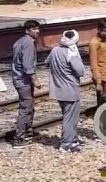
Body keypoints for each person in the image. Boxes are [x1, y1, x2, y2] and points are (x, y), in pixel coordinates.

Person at [48, 30, 87, 153]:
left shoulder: (55, 50)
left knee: (67, 115)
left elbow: (46, 62)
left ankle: (73, 140)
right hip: (70, 90)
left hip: (58, 89)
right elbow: (80, 71)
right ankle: (66, 144)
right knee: (70, 118)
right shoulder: (71, 53)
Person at [10, 19, 41, 147]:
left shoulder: (20, 41)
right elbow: (28, 65)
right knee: (26, 108)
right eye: (34, 29)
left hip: (18, 79)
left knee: (28, 106)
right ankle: (19, 137)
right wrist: (35, 80)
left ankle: (28, 132)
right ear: (27, 31)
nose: (37, 31)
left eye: (38, 28)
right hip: (23, 80)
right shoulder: (28, 43)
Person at [88, 22, 106, 103]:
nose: (105, 33)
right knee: (103, 102)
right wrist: (98, 82)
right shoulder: (94, 43)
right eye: (103, 31)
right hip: (102, 76)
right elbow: (93, 63)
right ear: (99, 29)